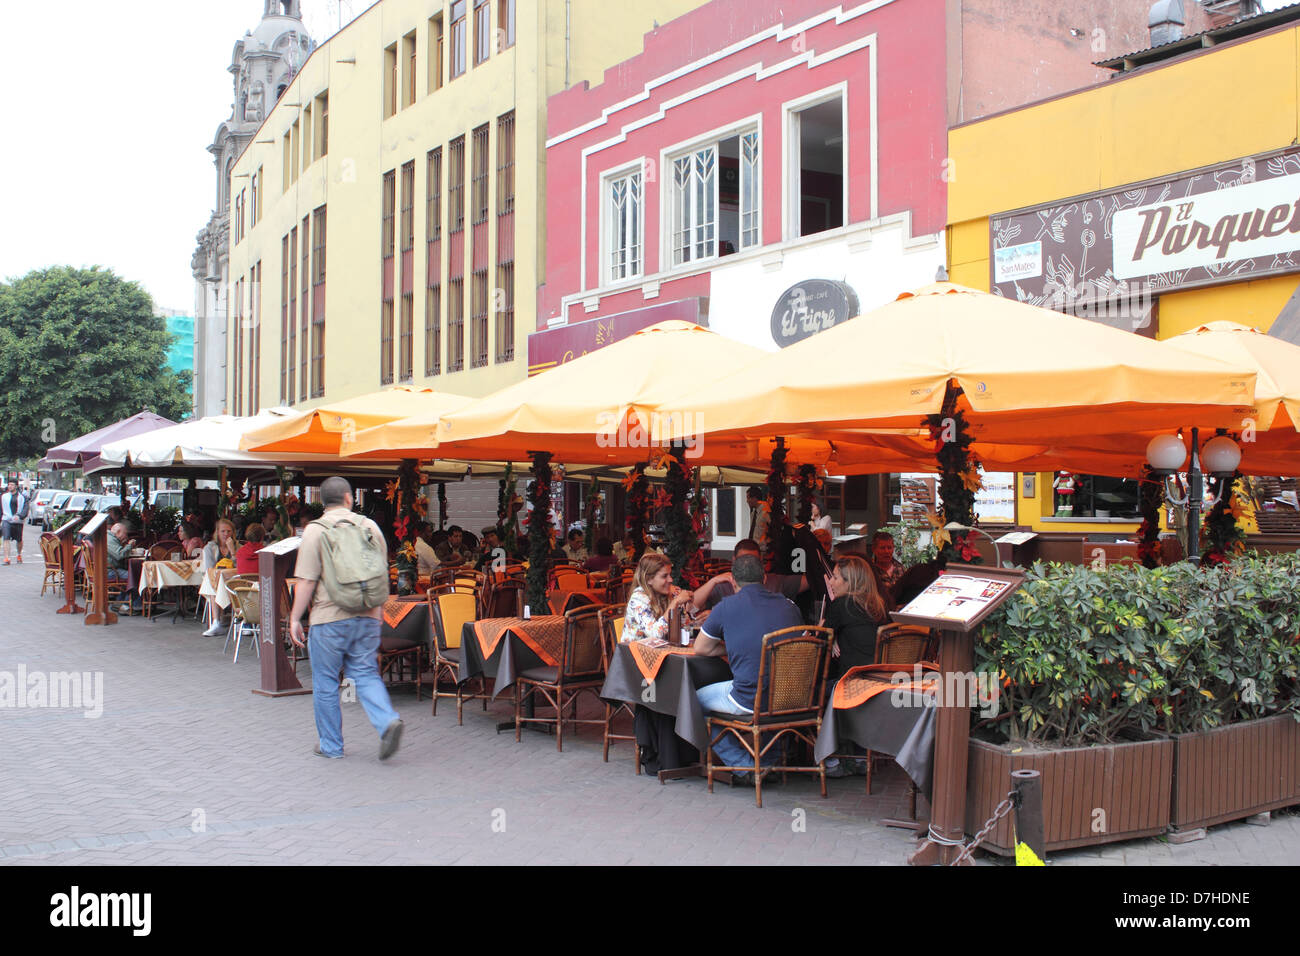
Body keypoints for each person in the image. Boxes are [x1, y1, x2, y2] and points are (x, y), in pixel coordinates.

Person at [289, 476, 403, 761]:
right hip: (366, 614)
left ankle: (331, 746)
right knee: (365, 673)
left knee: (326, 682)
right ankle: (386, 719)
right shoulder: (370, 527)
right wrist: (377, 611)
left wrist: (294, 618)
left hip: (329, 618)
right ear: (350, 498)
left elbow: (305, 580)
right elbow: (381, 572)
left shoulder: (315, 531)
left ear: (322, 503)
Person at [692, 553, 803, 782]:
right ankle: (769, 760)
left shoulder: (726, 606)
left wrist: (733, 647)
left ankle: (744, 765)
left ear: (733, 581)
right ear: (764, 578)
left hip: (748, 699)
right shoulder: (790, 606)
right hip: (791, 697)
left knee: (691, 701)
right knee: (768, 690)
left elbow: (701, 649)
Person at [690, 538, 806, 612]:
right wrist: (713, 581)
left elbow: (814, 580)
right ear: (734, 560)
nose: (747, 564)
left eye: (752, 560)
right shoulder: (723, 584)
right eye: (743, 560)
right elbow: (691, 608)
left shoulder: (776, 582)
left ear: (760, 561)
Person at [623, 552, 694, 643]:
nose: (670, 580)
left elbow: (686, 629)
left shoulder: (664, 593)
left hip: (659, 652)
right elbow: (655, 635)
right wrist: (675, 602)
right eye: (664, 576)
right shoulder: (638, 599)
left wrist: (683, 607)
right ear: (649, 579)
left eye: (670, 574)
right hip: (634, 654)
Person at [200, 518, 240, 637]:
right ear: (217, 532)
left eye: (228, 531)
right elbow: (210, 569)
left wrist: (233, 551)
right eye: (223, 531)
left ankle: (239, 619)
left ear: (233, 532)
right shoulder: (209, 548)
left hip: (234, 581)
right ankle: (216, 622)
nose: (226, 534)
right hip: (216, 581)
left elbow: (240, 567)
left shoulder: (238, 547)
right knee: (213, 585)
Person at [869, 530, 906, 609]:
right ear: (874, 549)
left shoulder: (900, 568)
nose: (886, 551)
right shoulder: (869, 571)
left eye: (889, 547)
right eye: (882, 548)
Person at [1, 480, 29, 565]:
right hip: (6, 519)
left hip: (18, 521)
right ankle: (7, 558)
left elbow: (26, 508)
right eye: (9, 485)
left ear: (16, 486)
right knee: (6, 538)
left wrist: (20, 516)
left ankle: (19, 554)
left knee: (19, 539)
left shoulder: (22, 497)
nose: (10, 486)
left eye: (12, 485)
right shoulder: (4, 496)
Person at [746, 486, 770, 554]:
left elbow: (772, 531)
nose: (747, 501)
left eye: (748, 498)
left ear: (754, 498)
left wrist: (764, 543)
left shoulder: (766, 513)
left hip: (762, 550)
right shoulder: (753, 513)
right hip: (752, 549)